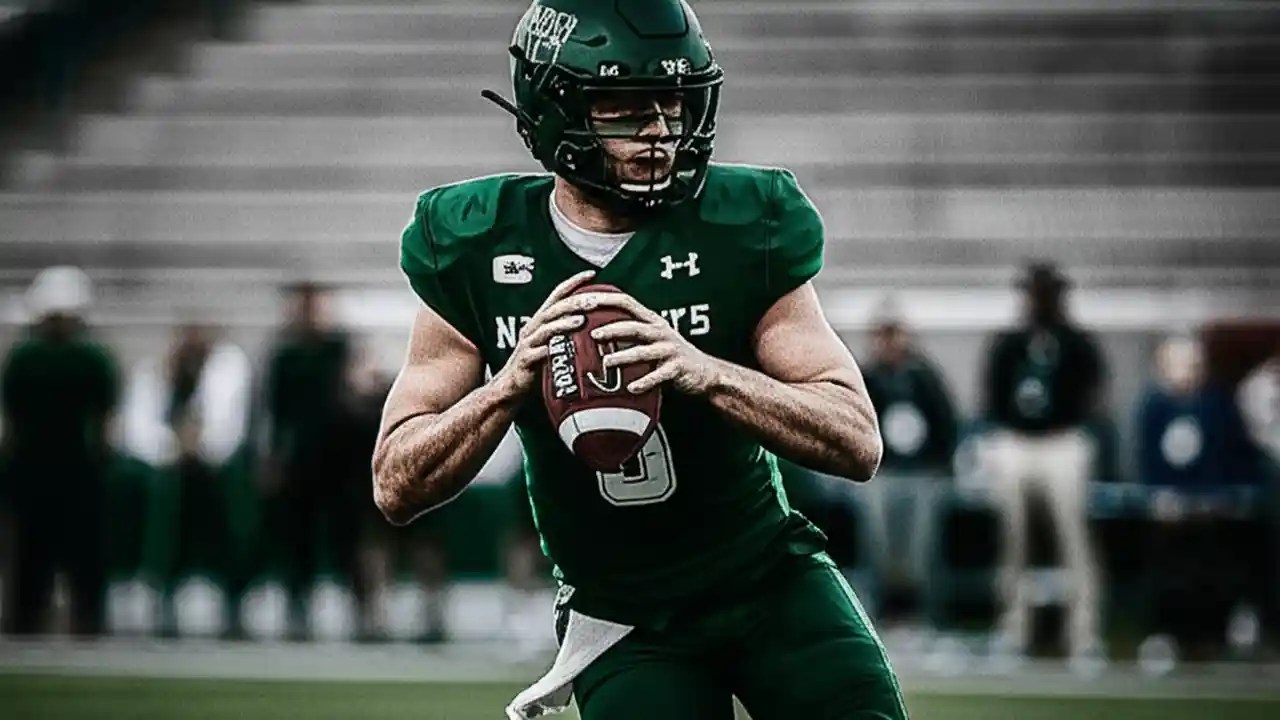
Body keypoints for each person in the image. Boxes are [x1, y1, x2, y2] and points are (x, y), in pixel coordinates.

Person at [372, 2, 905, 719]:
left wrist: (705, 370)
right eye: (626, 110)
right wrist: (507, 387)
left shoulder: (745, 223)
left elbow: (856, 439)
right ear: (556, 111)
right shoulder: (476, 245)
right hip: (624, 619)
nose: (660, 133)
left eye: (675, 105)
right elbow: (395, 483)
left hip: (769, 579)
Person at [981, 262, 1107, 668]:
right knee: (1012, 536)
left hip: (1062, 441)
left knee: (1073, 534)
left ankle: (1083, 634)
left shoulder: (1077, 342)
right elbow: (992, 395)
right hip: (1016, 441)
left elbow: (1094, 393)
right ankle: (1013, 629)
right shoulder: (1008, 341)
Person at [1, 266, 119, 636]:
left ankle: (32, 618)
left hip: (47, 468)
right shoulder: (90, 357)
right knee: (68, 552)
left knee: (40, 551)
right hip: (67, 468)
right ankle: (82, 619)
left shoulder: (28, 357)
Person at [121, 320, 254, 638]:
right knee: (161, 522)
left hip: (213, 477)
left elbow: (228, 431)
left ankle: (231, 601)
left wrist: (200, 446)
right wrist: (174, 447)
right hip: (170, 475)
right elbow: (138, 432)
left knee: (231, 527)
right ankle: (158, 594)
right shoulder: (156, 375)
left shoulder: (225, 372)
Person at [259, 282, 369, 641]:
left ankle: (361, 611)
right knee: (298, 540)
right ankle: (298, 609)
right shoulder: (284, 355)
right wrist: (272, 457)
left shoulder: (340, 348)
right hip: (300, 462)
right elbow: (272, 412)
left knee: (347, 540)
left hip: (341, 459)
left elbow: (357, 397)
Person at [861, 298, 959, 619]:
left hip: (922, 472)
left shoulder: (925, 377)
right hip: (882, 473)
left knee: (922, 541)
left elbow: (945, 423)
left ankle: (924, 612)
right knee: (877, 533)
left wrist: (940, 466)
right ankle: (882, 608)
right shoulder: (868, 379)